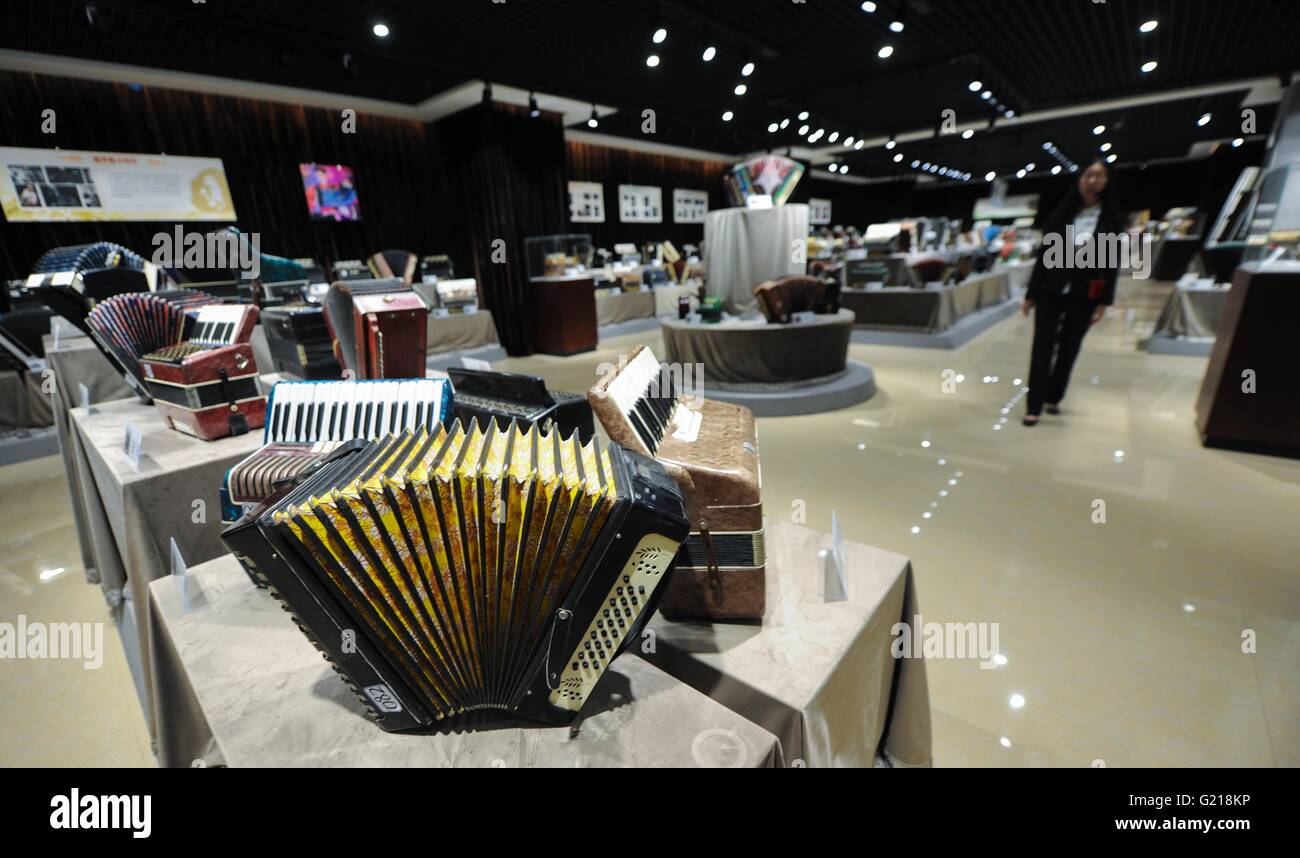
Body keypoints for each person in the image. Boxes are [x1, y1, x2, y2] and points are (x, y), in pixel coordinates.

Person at [1020, 159, 1125, 426]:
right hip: (1050, 289)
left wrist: (1105, 300)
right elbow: (1044, 257)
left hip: (1085, 292)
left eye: (1100, 176)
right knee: (1042, 345)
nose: (1093, 180)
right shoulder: (1063, 214)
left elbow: (1111, 263)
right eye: (1088, 175)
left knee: (1069, 346)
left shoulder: (1111, 219)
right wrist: (1030, 293)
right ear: (1079, 179)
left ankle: (1054, 396)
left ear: (1108, 181)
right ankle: (1034, 405)